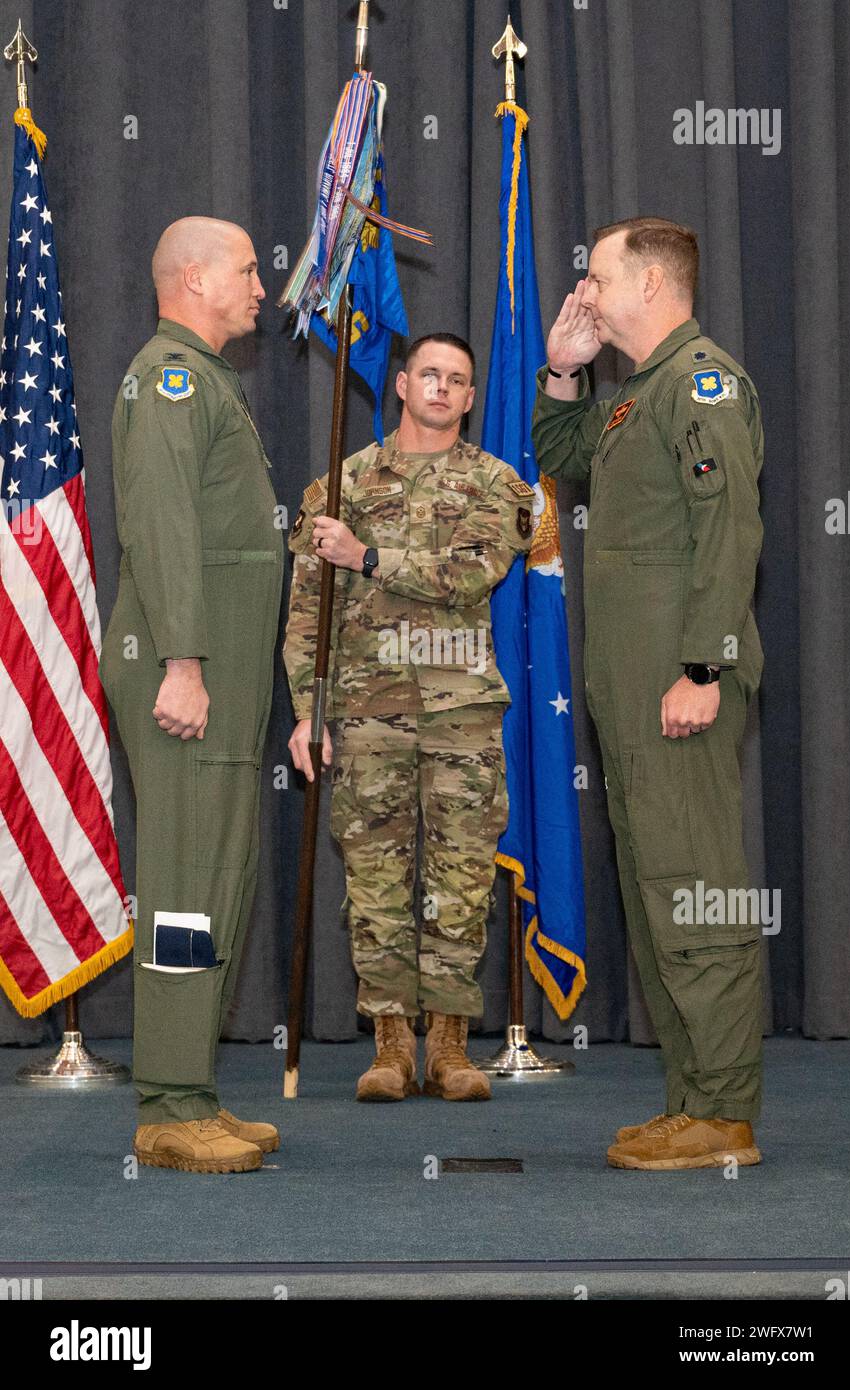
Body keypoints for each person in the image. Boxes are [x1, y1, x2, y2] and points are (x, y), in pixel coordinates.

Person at [533, 217, 765, 1171]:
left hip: (680, 684)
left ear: (655, 284)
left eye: (598, 277)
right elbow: (561, 449)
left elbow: (729, 529)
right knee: (657, 891)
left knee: (697, 889)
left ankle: (726, 1114)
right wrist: (562, 366)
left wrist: (704, 668)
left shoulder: (703, 381)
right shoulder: (639, 394)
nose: (585, 291)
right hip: (632, 691)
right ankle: (691, 1099)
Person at [284, 334, 533, 1102]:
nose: (442, 388)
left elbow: (468, 577)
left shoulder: (500, 485)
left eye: (458, 381)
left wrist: (367, 556)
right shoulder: (342, 484)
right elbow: (305, 611)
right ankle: (390, 1045)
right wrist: (306, 710)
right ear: (400, 384)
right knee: (377, 881)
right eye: (430, 374)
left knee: (460, 879)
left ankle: (451, 1046)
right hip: (365, 710)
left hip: (461, 714)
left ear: (467, 399)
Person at [100, 217, 284, 1174]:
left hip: (220, 682)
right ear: (198, 277)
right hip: (186, 676)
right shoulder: (169, 377)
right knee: (182, 889)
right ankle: (168, 1102)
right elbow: (162, 525)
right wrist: (181, 659)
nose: (263, 285)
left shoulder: (207, 378)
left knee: (216, 885)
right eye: (249, 270)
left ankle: (193, 1087)